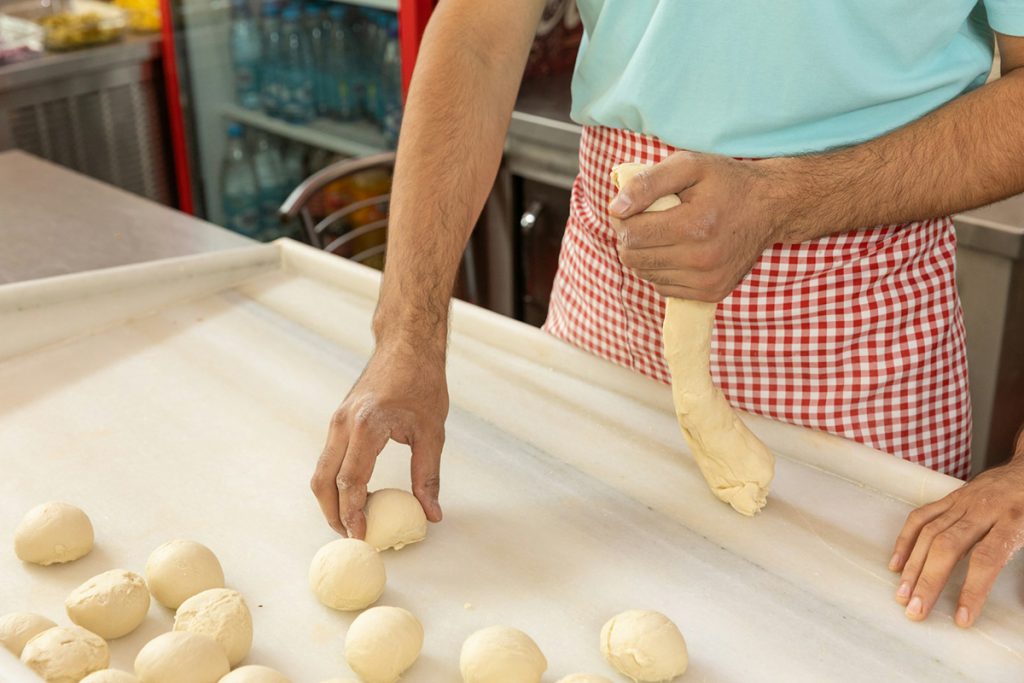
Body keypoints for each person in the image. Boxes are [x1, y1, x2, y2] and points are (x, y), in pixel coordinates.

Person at [310, 0, 1024, 629]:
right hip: (606, 307)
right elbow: (476, 37)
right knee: (564, 619)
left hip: (860, 337)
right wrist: (405, 332)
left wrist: (780, 199)